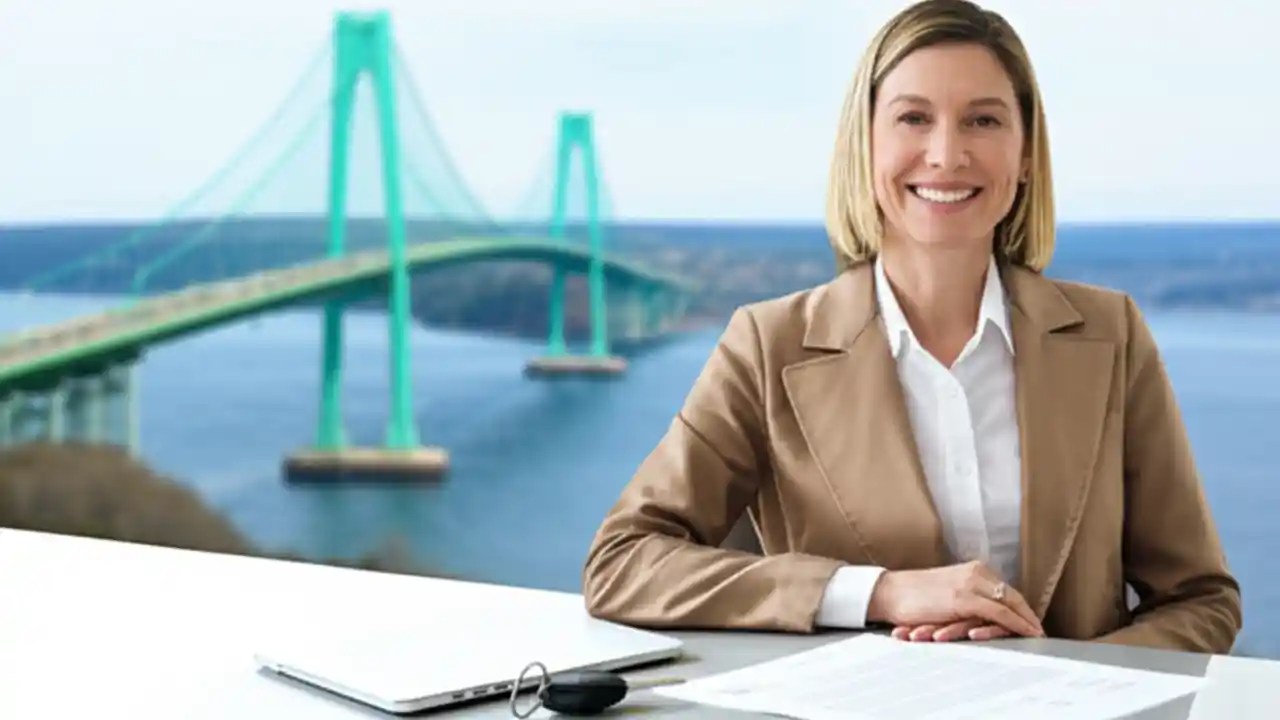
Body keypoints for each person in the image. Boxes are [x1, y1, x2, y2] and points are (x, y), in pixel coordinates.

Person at [581, 0, 1242, 654]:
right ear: (865, 145)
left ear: (1027, 154)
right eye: (913, 119)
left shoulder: (1111, 335)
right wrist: (879, 592)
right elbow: (622, 563)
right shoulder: (767, 345)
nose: (946, 154)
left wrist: (1079, 689)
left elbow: (1200, 600)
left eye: (983, 120)